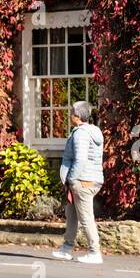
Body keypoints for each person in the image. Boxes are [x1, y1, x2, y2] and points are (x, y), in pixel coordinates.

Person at [53, 100, 105, 264]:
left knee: (86, 217)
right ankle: (66, 248)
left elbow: (80, 159)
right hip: (89, 179)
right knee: (72, 214)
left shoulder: (81, 134)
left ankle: (94, 252)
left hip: (83, 181)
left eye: (72, 113)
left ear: (77, 116)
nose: (70, 116)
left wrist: (72, 178)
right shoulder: (93, 131)